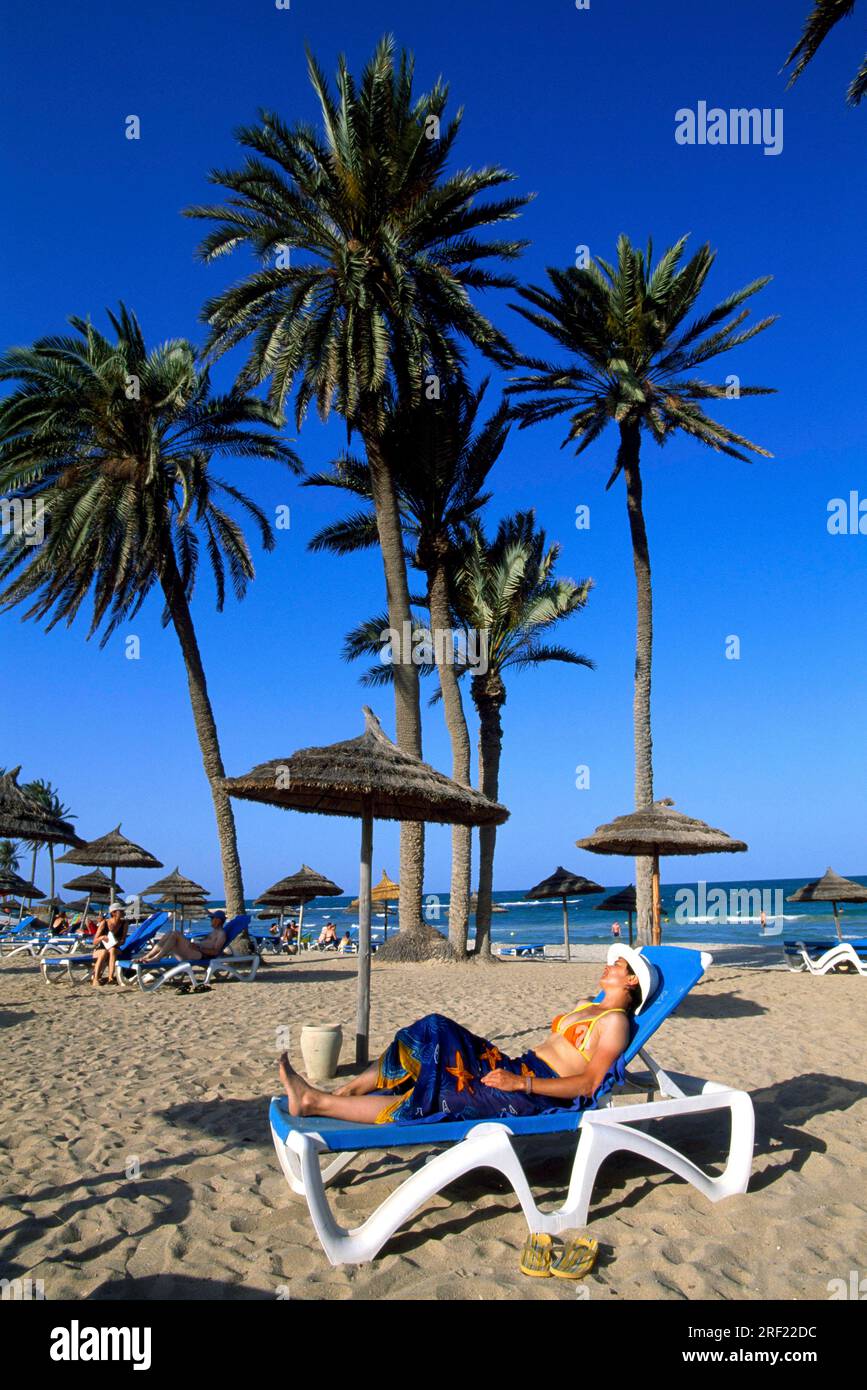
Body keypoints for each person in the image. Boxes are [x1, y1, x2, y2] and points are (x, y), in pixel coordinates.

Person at [278, 955, 643, 1125]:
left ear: (630, 982)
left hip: (530, 1093)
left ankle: (314, 1102)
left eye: (619, 966)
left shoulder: (616, 1023)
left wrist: (521, 1082)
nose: (608, 965)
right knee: (434, 1027)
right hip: (514, 1067)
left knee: (438, 1096)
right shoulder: (587, 1006)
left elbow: (590, 1083)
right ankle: (351, 1091)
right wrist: (515, 1072)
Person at [137, 908, 228, 967]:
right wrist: (197, 944)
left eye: (212, 919)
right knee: (170, 933)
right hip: (192, 952)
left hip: (199, 955)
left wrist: (199, 947)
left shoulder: (221, 934)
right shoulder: (214, 932)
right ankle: (148, 956)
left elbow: (216, 951)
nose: (211, 920)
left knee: (175, 933)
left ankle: (157, 958)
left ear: (218, 921)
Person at [91, 902, 128, 986]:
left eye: (123, 911)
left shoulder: (124, 924)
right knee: (104, 952)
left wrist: (119, 942)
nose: (123, 913)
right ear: (113, 913)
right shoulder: (104, 923)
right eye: (121, 911)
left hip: (115, 948)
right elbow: (94, 941)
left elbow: (123, 940)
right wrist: (102, 937)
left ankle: (110, 978)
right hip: (101, 948)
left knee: (112, 949)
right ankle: (95, 979)